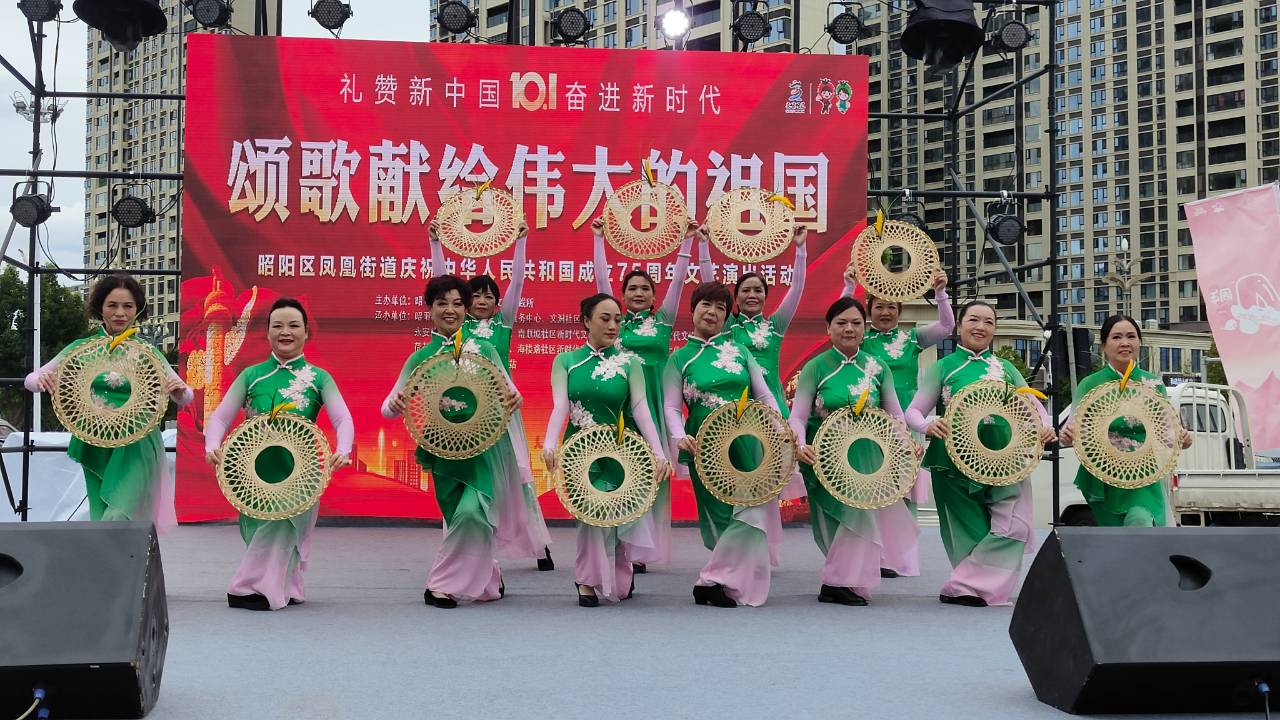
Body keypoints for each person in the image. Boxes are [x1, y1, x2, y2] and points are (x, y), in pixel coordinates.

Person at [381, 275, 523, 609]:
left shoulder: (484, 350)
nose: (451, 310)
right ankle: (489, 577)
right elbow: (387, 408)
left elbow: (510, 392)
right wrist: (395, 405)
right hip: (441, 450)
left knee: (474, 513)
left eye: (458, 303)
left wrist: (513, 399)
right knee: (459, 516)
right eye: (442, 303)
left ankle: (439, 585)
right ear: (429, 308)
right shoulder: (421, 358)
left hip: (483, 449)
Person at [204, 297, 354, 611]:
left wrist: (343, 449)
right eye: (278, 326)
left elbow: (342, 418)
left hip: (301, 471)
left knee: (284, 521)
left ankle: (246, 588)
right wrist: (212, 445)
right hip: (251, 469)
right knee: (262, 528)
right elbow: (219, 417)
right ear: (268, 332)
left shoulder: (318, 377)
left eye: (293, 325)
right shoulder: (251, 375)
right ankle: (286, 585)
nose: (286, 332)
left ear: (306, 332)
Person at [904, 301, 1056, 607]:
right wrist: (929, 424)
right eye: (973, 319)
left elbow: (1036, 409)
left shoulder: (1007, 369)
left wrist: (1047, 427)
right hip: (955, 458)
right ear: (959, 326)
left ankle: (962, 586)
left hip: (1005, 459)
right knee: (968, 529)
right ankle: (972, 591)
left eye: (988, 322)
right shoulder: (944, 367)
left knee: (1014, 526)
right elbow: (914, 412)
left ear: (994, 329)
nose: (981, 327)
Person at [430, 219, 555, 572]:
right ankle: (460, 543)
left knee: (518, 476)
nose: (483, 299)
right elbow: (441, 283)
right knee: (464, 476)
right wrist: (436, 244)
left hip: (503, 414)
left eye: (490, 295)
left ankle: (538, 544)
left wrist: (520, 243)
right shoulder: (457, 327)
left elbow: (518, 281)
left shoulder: (502, 326)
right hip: (463, 417)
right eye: (477, 294)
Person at [27, 272, 192, 530]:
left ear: (138, 310)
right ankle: (111, 569)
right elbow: (32, 378)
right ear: (100, 308)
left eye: (128, 306)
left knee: (118, 514)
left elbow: (185, 394)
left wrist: (179, 392)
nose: (120, 313)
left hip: (136, 442)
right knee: (101, 517)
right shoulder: (83, 347)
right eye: (112, 305)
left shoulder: (147, 352)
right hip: (95, 438)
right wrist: (41, 381)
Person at [541, 293, 669, 606]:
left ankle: (618, 576)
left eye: (617, 319)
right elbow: (561, 406)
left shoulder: (629, 363)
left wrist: (658, 451)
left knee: (619, 512)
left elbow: (640, 408)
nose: (613, 325)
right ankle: (586, 580)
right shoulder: (566, 361)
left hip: (622, 450)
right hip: (580, 449)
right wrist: (548, 441)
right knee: (589, 516)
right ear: (586, 321)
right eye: (605, 318)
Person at [789, 297, 919, 606]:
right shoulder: (816, 367)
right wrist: (799, 443)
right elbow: (797, 415)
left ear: (865, 328)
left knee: (861, 518)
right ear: (829, 328)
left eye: (856, 323)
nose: (849, 329)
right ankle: (841, 580)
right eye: (842, 323)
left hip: (867, 459)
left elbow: (895, 414)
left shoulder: (877, 367)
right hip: (825, 458)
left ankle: (842, 581)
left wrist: (906, 443)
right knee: (838, 520)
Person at [663, 282, 783, 608]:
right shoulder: (679, 358)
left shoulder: (740, 351)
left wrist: (781, 429)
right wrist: (678, 436)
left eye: (720, 308)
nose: (712, 312)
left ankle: (712, 579)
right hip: (705, 446)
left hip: (748, 440)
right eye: (706, 305)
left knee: (752, 511)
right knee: (719, 513)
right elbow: (672, 407)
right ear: (693, 310)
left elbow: (764, 394)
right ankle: (722, 581)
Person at [592, 216, 699, 570]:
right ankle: (619, 538)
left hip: (653, 408)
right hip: (621, 409)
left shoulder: (663, 321)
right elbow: (601, 282)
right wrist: (598, 240)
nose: (638, 293)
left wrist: (686, 242)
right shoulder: (614, 323)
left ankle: (641, 548)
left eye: (645, 289)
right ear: (622, 297)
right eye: (632, 289)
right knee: (623, 473)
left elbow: (680, 280)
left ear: (654, 297)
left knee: (653, 476)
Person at [843, 267, 954, 578]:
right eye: (878, 306)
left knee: (905, 493)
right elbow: (840, 323)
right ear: (869, 311)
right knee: (872, 490)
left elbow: (947, 326)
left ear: (899, 311)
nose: (885, 312)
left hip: (906, 426)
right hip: (870, 428)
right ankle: (874, 554)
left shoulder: (911, 338)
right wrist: (849, 288)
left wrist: (940, 292)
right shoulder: (861, 339)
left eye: (891, 306)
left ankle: (900, 558)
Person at [1058, 314, 1193, 526]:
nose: (1125, 343)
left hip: (1142, 475)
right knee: (1115, 540)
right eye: (1116, 337)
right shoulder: (1090, 384)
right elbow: (1073, 432)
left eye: (1131, 336)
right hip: (1103, 475)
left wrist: (1183, 439)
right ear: (1103, 345)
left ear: (1139, 343)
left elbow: (1168, 433)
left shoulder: (1152, 384)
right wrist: (1066, 436)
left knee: (1139, 520)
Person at [698, 224, 808, 413]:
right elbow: (710, 284)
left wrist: (800, 248)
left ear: (765, 297)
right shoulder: (727, 325)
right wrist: (703, 244)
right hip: (734, 401)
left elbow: (797, 288)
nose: (752, 295)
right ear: (736, 297)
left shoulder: (775, 325)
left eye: (758, 291)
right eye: (746, 290)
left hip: (771, 403)